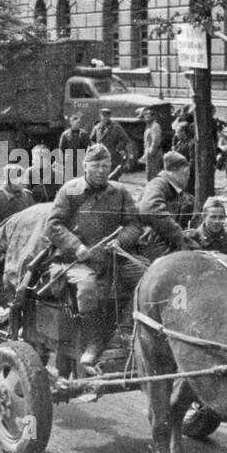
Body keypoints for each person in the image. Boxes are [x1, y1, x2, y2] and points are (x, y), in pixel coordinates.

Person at [47, 143, 144, 372]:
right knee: (88, 287)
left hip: (113, 257)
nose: (102, 170)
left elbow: (134, 224)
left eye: (106, 166)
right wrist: (76, 245)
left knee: (147, 277)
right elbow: (53, 225)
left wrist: (121, 241)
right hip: (76, 260)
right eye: (97, 166)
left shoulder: (119, 191)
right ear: (85, 166)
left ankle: (127, 330)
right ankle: (93, 343)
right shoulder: (71, 189)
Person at [136, 151, 196, 262]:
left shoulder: (172, 189)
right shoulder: (158, 184)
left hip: (157, 243)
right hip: (146, 245)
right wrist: (178, 236)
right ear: (185, 171)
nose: (188, 180)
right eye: (188, 175)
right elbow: (150, 209)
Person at [89, 108, 131, 174]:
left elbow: (125, 138)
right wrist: (95, 148)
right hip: (100, 155)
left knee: (112, 175)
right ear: (100, 116)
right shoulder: (97, 127)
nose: (104, 118)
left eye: (106, 116)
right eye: (103, 116)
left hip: (112, 155)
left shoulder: (116, 127)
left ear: (109, 117)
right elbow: (92, 139)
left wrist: (118, 148)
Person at [58, 113, 90, 181]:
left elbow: (88, 148)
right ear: (71, 123)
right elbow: (61, 149)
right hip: (69, 162)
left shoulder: (84, 134)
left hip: (81, 161)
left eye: (79, 123)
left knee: (81, 180)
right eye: (76, 123)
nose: (77, 124)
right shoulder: (65, 135)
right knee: (69, 181)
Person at [171, 117, 197, 198]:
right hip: (179, 175)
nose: (176, 134)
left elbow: (192, 161)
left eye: (177, 132)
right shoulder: (179, 142)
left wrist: (184, 171)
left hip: (187, 177)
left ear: (183, 132)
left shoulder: (191, 143)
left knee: (188, 197)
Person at [142, 108, 164, 181]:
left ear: (153, 117)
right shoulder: (148, 126)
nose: (146, 118)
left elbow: (156, 141)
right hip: (149, 153)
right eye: (145, 117)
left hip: (154, 154)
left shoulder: (155, 126)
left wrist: (151, 153)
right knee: (149, 172)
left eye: (148, 117)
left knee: (154, 173)